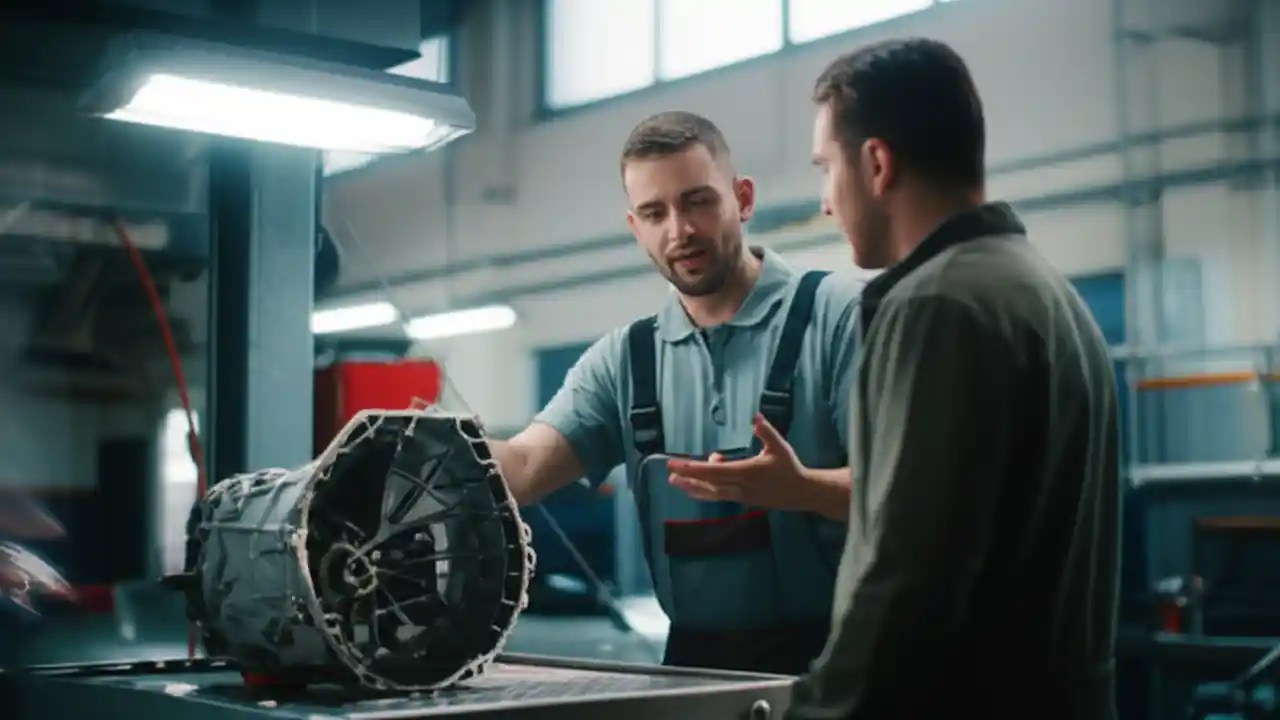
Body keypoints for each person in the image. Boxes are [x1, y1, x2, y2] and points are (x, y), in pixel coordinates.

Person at [785, 38, 1121, 718]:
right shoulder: (1043, 291)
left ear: (876, 163)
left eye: (827, 168)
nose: (826, 201)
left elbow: (910, 578)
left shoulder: (940, 306)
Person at [487, 110, 863, 675]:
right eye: (654, 213)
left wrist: (802, 488)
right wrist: (423, 446)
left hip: (839, 666)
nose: (679, 231)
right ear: (635, 227)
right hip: (692, 669)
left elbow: (909, 496)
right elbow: (522, 467)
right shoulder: (626, 360)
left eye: (698, 201)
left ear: (743, 198)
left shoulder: (841, 317)